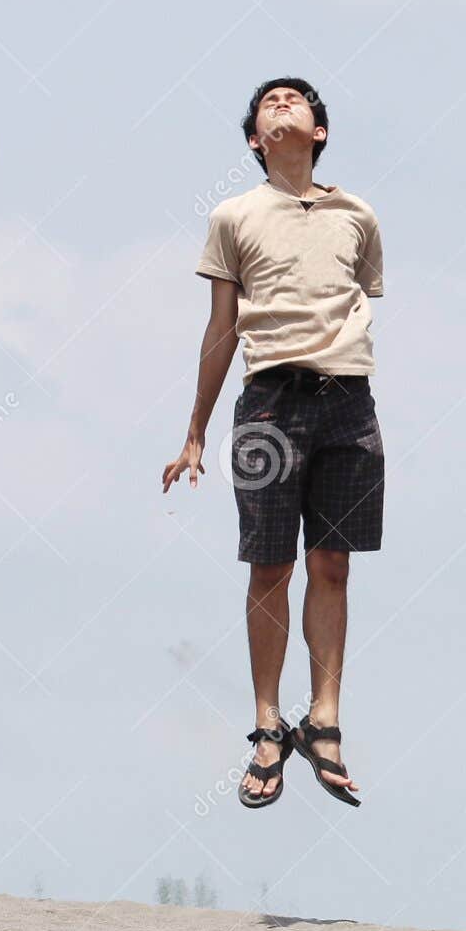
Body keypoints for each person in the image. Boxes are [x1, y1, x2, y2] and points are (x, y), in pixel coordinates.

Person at [162, 77, 384, 810]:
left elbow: (357, 302)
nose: (283, 103)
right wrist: (195, 429)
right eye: (269, 103)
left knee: (333, 562)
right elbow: (221, 328)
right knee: (270, 566)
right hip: (268, 403)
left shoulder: (358, 215)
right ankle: (266, 726)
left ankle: (324, 721)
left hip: (348, 402)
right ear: (256, 139)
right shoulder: (234, 215)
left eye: (298, 99)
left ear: (320, 130)